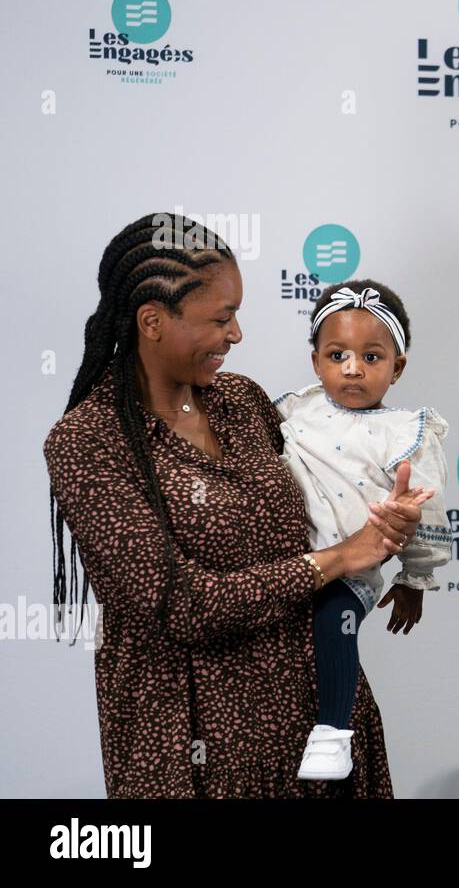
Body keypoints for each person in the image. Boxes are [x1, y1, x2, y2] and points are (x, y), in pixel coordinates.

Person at [44, 213, 432, 797]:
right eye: (221, 318)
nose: (237, 334)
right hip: (193, 746)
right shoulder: (88, 442)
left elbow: (321, 506)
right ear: (152, 321)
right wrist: (338, 559)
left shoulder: (244, 401)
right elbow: (183, 605)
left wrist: (385, 522)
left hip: (316, 729)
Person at [275, 279, 452, 780]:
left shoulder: (406, 433)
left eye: (371, 357)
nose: (353, 368)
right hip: (286, 564)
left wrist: (415, 580)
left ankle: (332, 735)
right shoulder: (294, 411)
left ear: (397, 368)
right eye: (337, 355)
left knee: (335, 623)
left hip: (350, 569)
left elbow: (426, 514)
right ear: (315, 362)